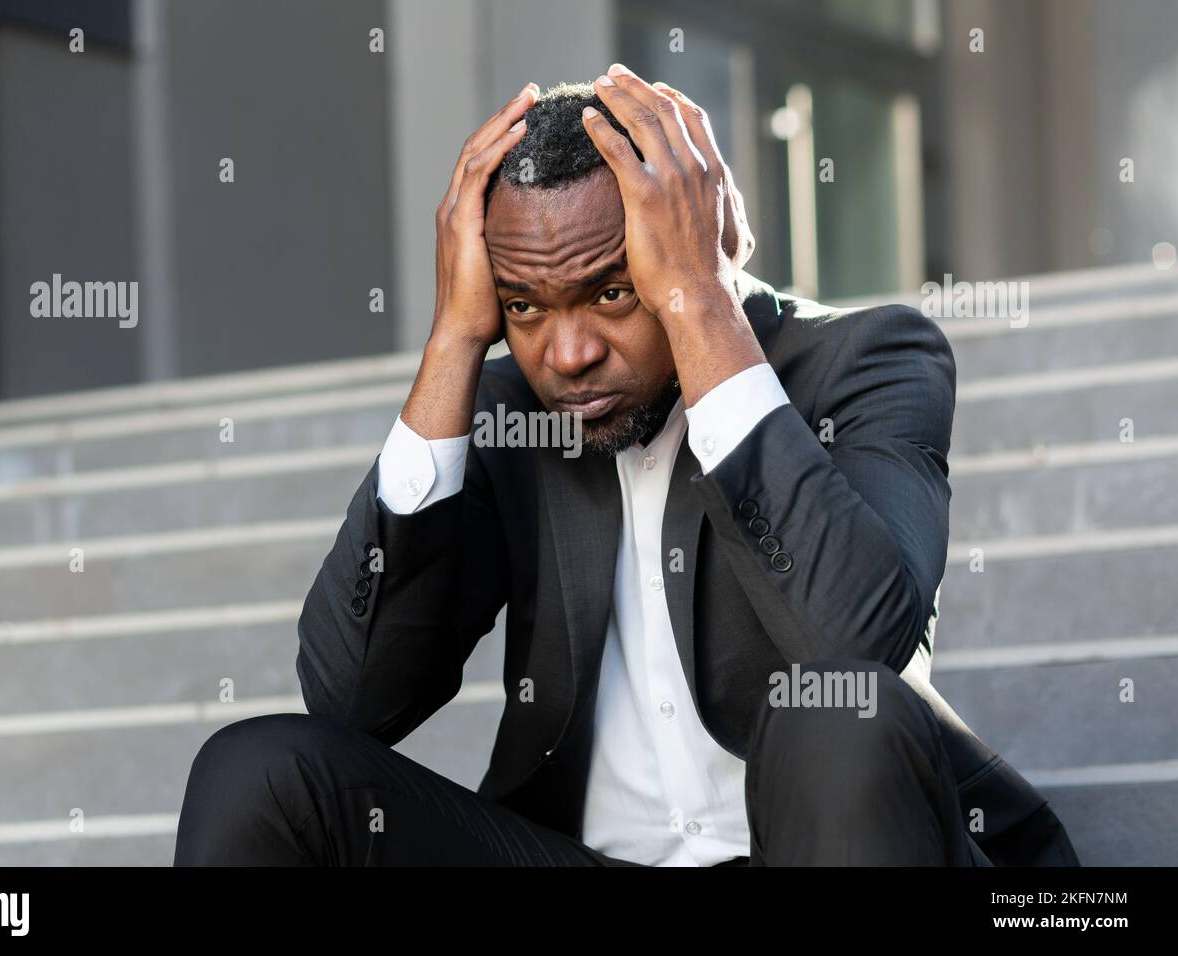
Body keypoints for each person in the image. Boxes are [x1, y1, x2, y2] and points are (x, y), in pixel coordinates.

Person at [174, 66, 1079, 867]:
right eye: (525, 305)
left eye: (613, 292)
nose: (567, 353)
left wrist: (697, 304)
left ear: (687, 243)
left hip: (819, 844)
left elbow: (856, 646)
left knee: (831, 710)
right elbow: (351, 700)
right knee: (257, 774)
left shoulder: (867, 360)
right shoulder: (505, 416)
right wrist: (455, 339)